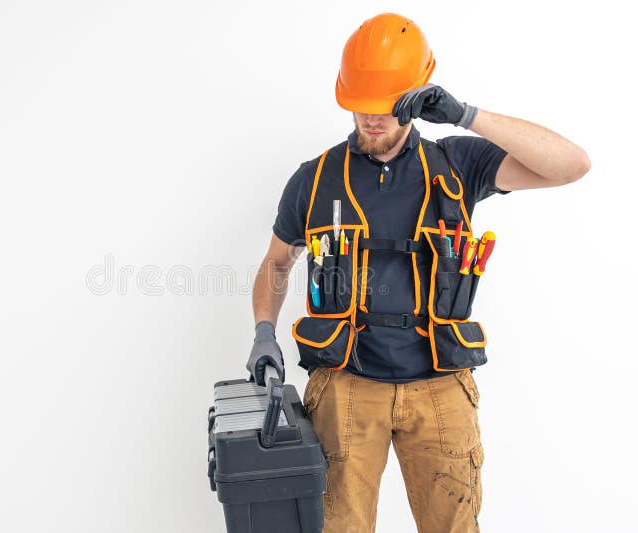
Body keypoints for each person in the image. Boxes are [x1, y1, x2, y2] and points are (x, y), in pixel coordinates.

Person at [245, 12, 590, 533]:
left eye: (385, 107)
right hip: (345, 387)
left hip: (441, 388)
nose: (372, 120)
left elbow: (571, 165)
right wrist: (264, 332)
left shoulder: (457, 164)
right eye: (361, 105)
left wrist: (466, 114)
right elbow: (276, 263)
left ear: (415, 100)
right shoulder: (313, 181)